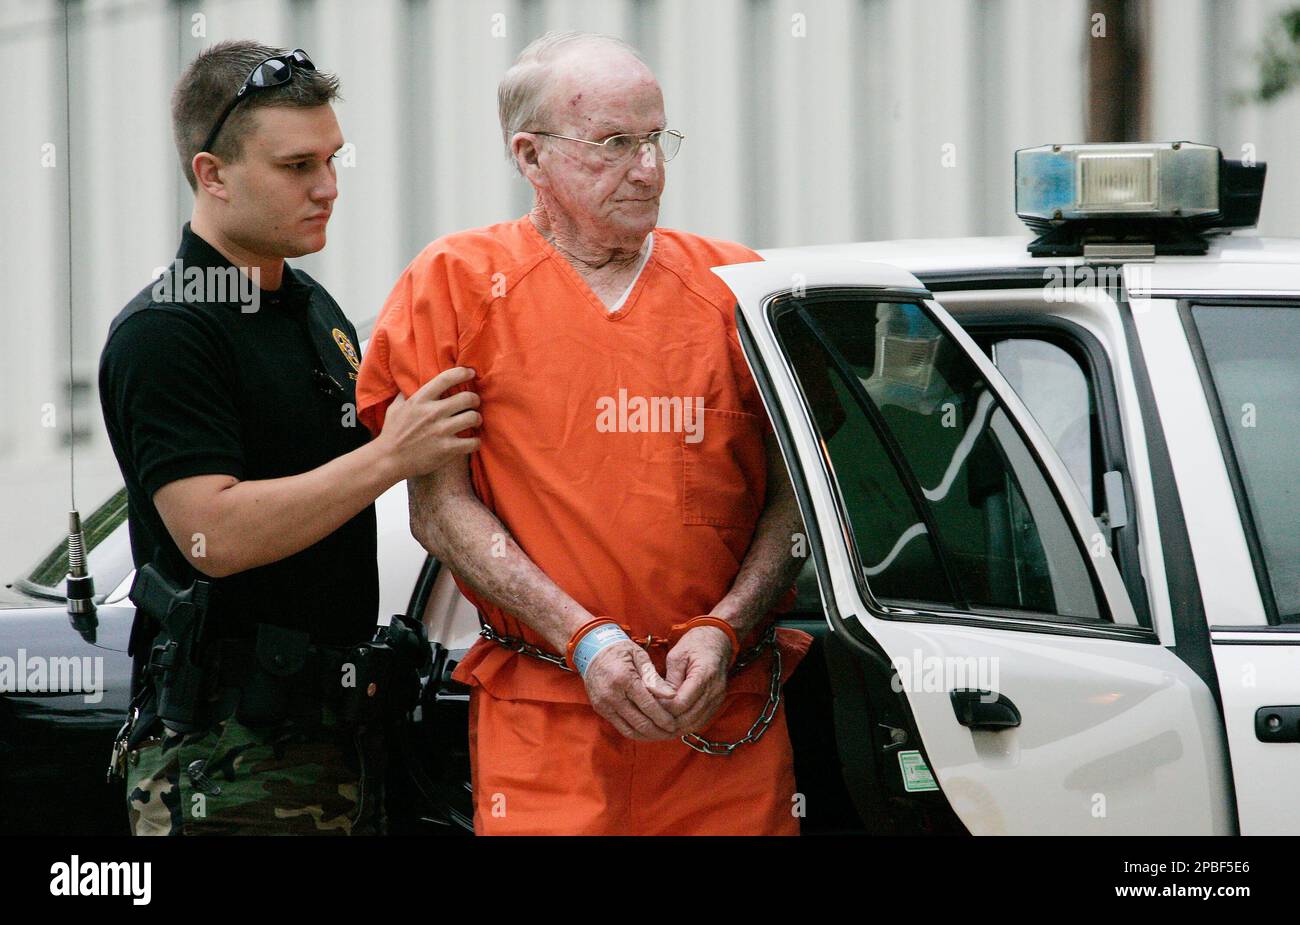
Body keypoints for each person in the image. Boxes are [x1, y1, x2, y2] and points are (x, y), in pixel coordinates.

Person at [356, 31, 811, 835]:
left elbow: (798, 502)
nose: (648, 170)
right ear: (530, 157)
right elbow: (438, 509)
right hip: (546, 721)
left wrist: (725, 626)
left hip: (720, 709)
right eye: (614, 145)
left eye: (655, 139)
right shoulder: (456, 285)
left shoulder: (736, 289)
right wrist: (584, 638)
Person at [98, 40, 479, 835]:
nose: (328, 188)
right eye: (297, 166)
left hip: (335, 740)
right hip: (227, 761)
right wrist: (390, 457)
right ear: (213, 174)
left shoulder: (308, 305)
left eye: (333, 160)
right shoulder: (168, 331)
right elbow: (214, 532)